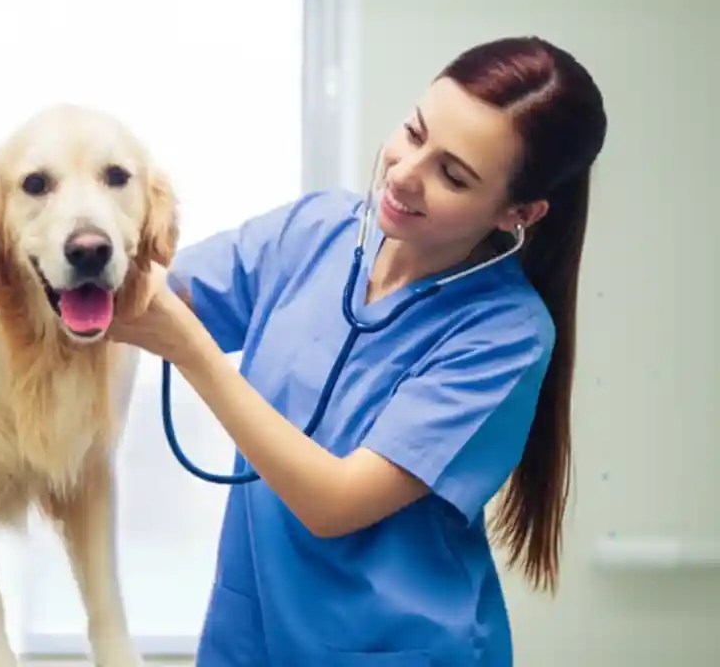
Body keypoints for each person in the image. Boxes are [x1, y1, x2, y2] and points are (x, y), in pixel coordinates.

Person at [110, 35, 608, 665]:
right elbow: (137, 297)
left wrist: (192, 352)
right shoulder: (315, 232)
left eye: (452, 175)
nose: (404, 174)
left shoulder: (505, 336)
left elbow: (334, 504)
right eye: (414, 132)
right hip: (252, 638)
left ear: (519, 212)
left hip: (401, 647)